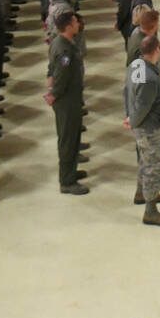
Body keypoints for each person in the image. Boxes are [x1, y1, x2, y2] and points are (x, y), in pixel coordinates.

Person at [126, 34, 160, 226]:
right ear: (157, 50)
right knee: (154, 166)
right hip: (150, 128)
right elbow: (143, 105)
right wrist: (133, 120)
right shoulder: (150, 78)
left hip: (143, 126)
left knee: (145, 160)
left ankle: (141, 193)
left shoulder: (135, 65)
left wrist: (130, 116)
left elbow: (129, 93)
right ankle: (150, 210)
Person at [46, 10, 88, 195]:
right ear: (68, 26)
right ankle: (67, 181)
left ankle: (71, 172)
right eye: (75, 22)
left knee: (73, 137)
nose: (78, 24)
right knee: (68, 140)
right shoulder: (64, 49)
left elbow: (51, 69)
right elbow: (60, 75)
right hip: (67, 100)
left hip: (71, 97)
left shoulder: (61, 42)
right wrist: (54, 93)